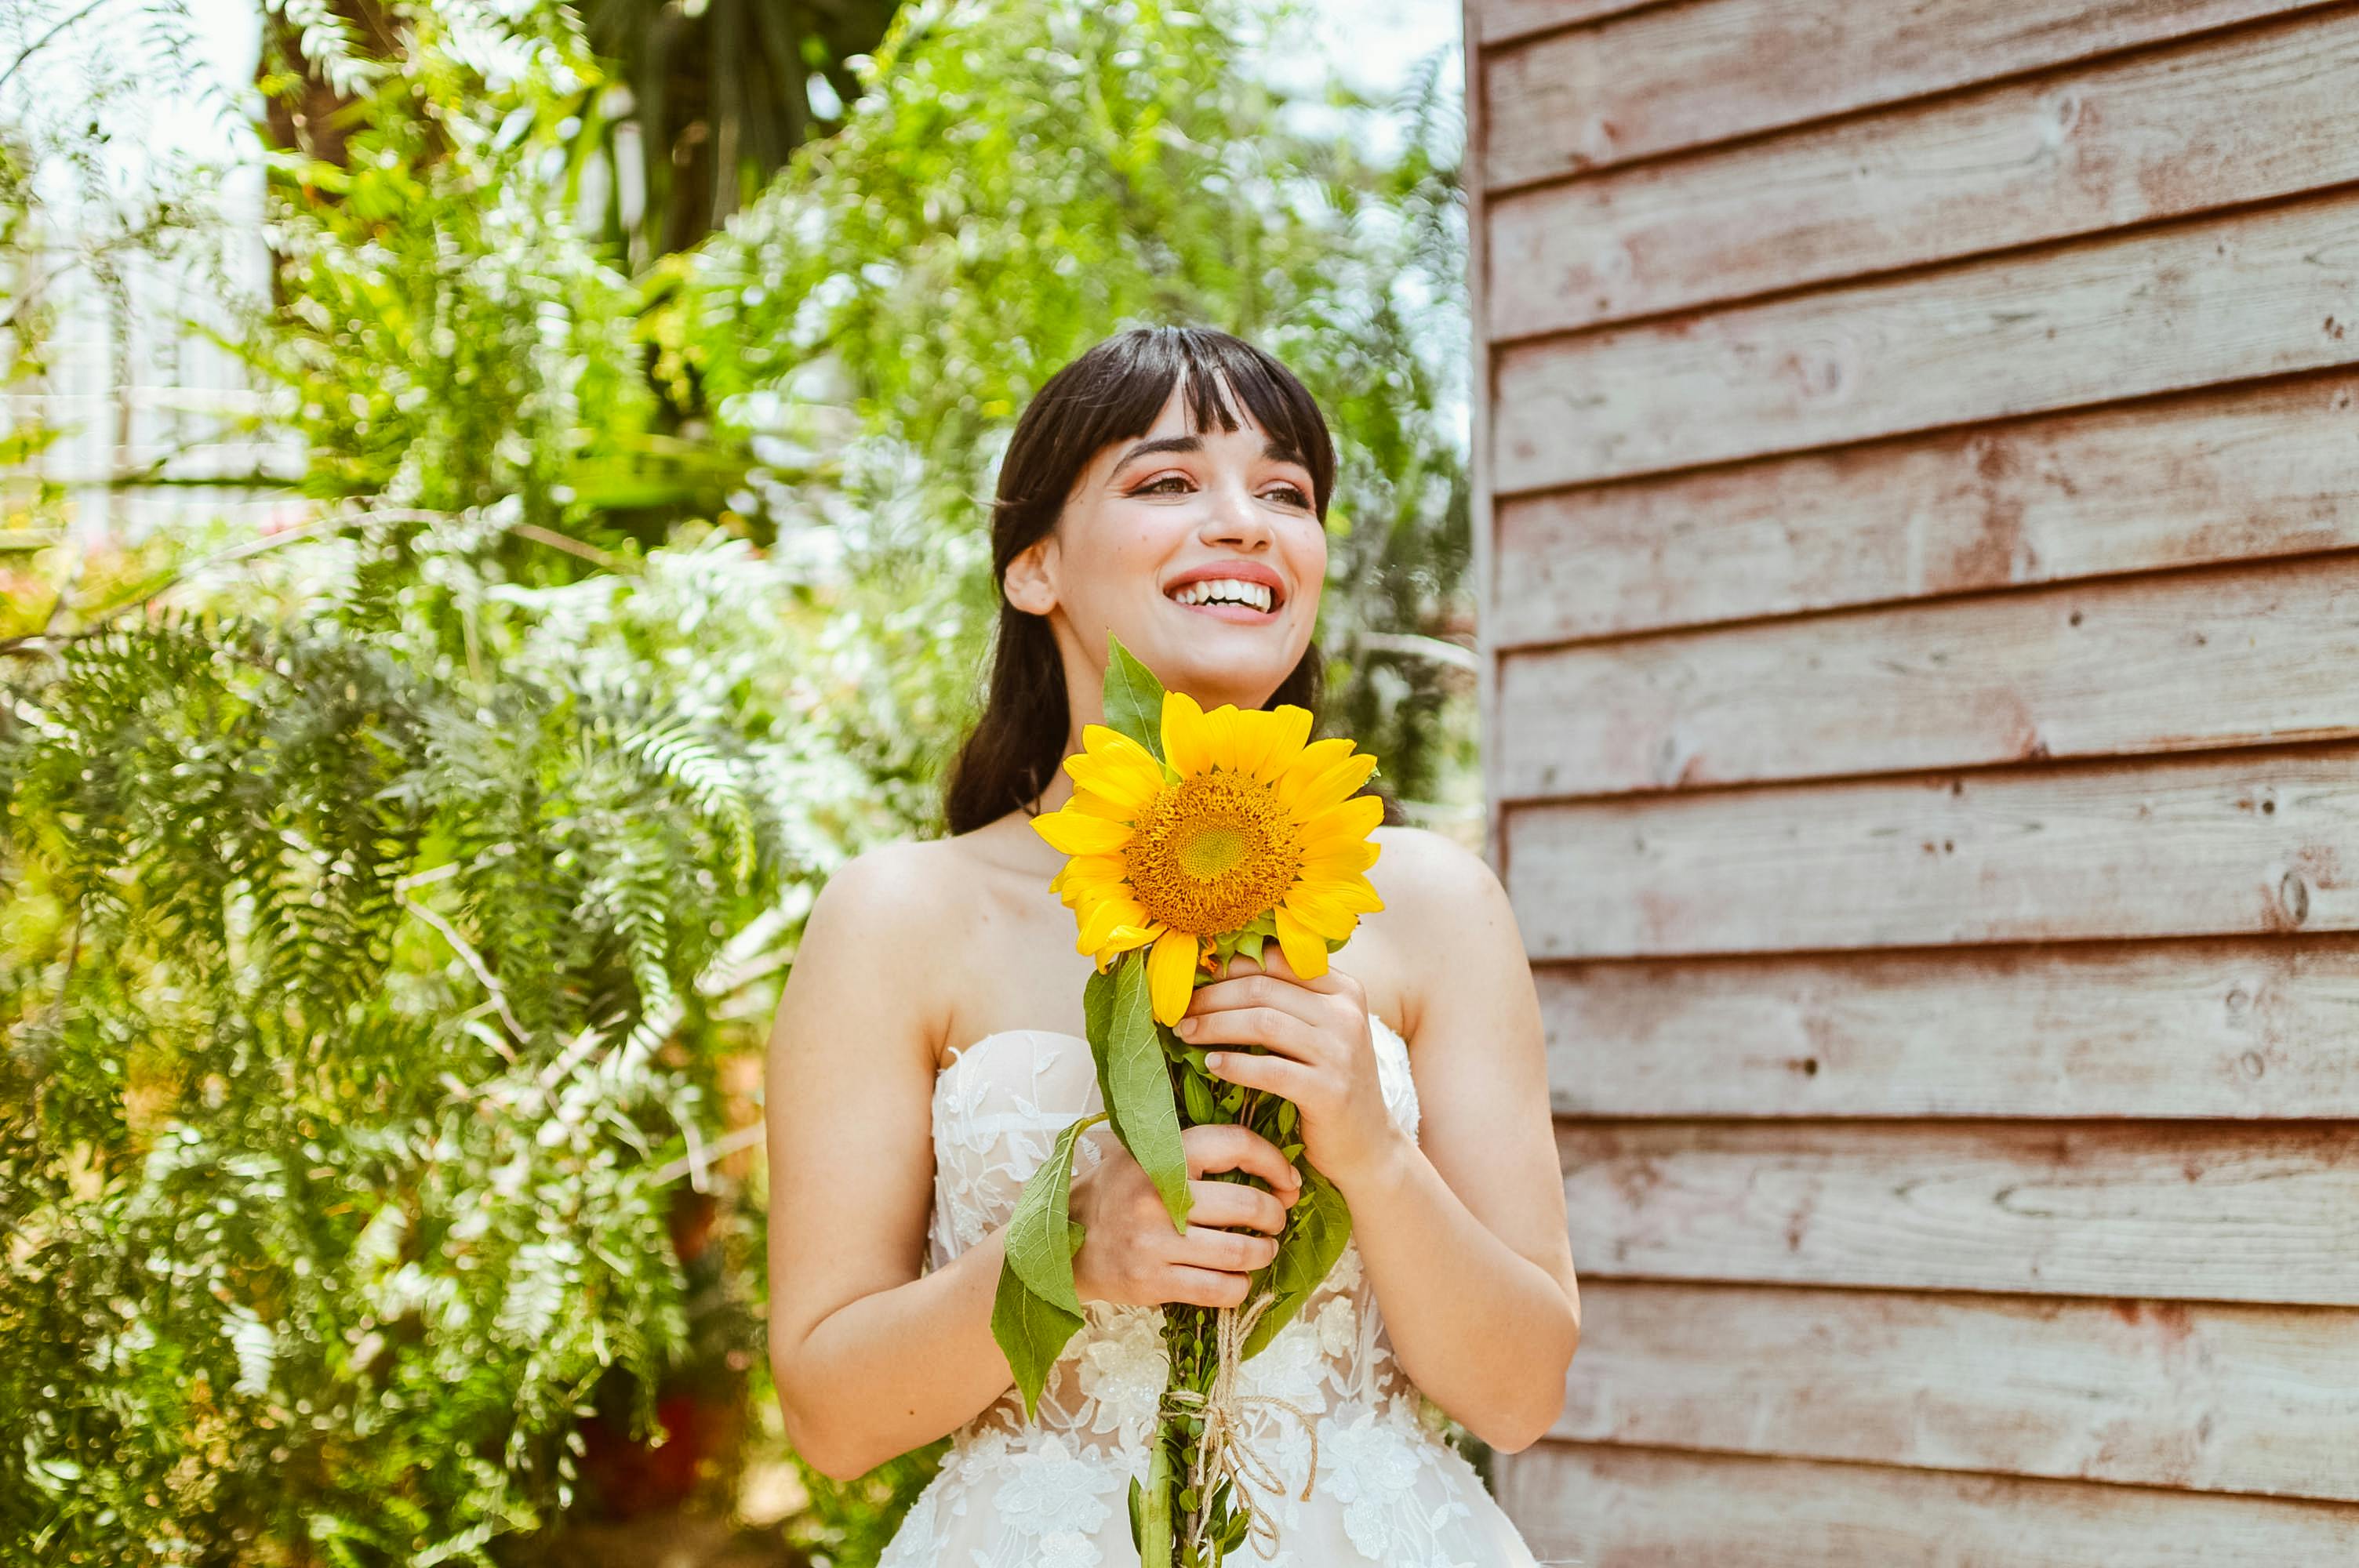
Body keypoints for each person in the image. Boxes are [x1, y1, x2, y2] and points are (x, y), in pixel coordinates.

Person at [764, 325, 1580, 1567]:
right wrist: (1065, 1249)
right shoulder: (898, 918)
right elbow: (828, 1416)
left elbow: (1522, 1396)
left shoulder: (1432, 903)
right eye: (1167, 481)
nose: (1246, 522)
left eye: (1286, 494)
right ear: (1033, 566)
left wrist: (1372, 1149)